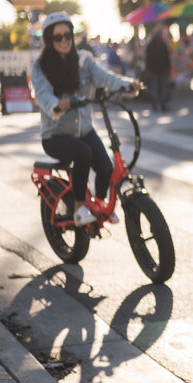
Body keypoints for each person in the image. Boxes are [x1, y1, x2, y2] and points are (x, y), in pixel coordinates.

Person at [30, 12, 139, 226]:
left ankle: (98, 204)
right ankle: (80, 208)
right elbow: (42, 94)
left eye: (67, 36)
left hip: (85, 130)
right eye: (57, 37)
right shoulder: (40, 65)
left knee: (106, 167)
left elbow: (105, 77)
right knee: (83, 153)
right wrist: (56, 104)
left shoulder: (84, 61)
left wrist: (127, 84)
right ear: (49, 41)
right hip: (55, 135)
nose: (63, 41)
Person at [145, 25, 172, 111]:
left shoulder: (162, 45)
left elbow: (167, 58)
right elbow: (148, 59)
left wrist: (168, 69)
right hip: (156, 71)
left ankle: (161, 105)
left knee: (160, 88)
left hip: (161, 70)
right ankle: (156, 105)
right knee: (156, 88)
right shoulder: (152, 46)